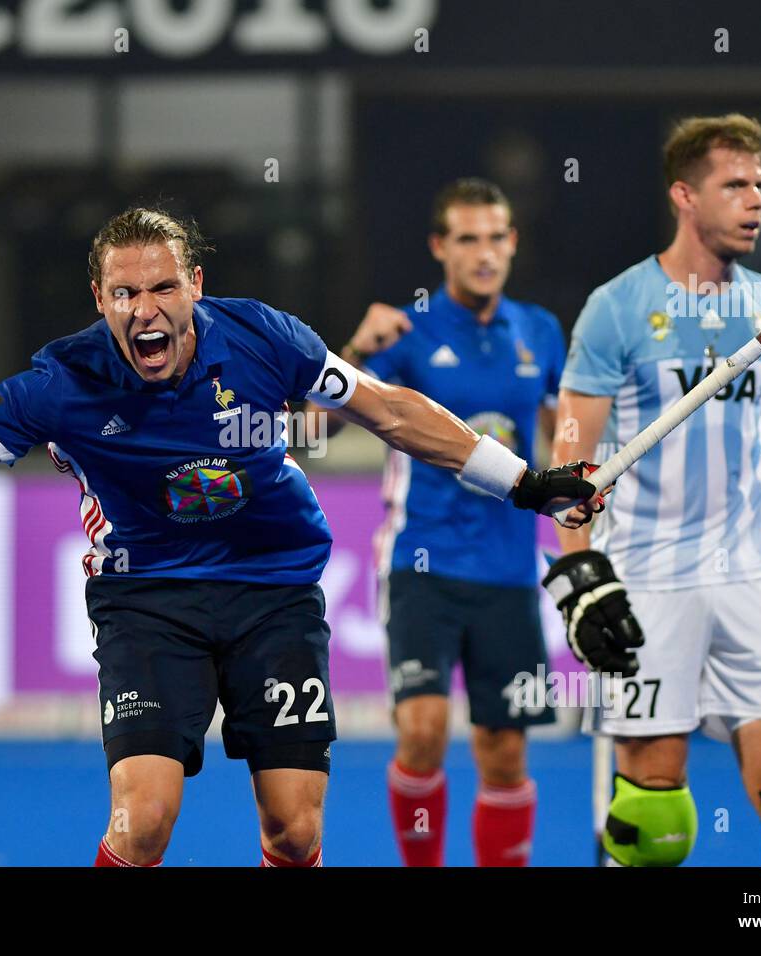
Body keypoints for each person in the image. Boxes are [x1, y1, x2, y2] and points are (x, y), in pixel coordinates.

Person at [0, 207, 600, 867]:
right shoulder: (57, 385)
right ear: (99, 299)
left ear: (196, 286)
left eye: (162, 288)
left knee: (295, 831)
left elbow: (390, 412)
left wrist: (523, 482)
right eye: (122, 293)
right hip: (148, 601)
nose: (144, 310)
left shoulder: (264, 338)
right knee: (143, 823)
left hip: (274, 590)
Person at [549, 115, 761, 867]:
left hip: (750, 576)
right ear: (684, 196)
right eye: (735, 185)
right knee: (654, 817)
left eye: (760, 185)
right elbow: (572, 453)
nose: (757, 200)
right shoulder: (618, 307)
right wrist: (582, 569)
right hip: (650, 578)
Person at [314, 179, 566, 866]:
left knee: (505, 751)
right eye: (467, 239)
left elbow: (565, 436)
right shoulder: (404, 331)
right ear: (439, 247)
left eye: (496, 237)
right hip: (421, 562)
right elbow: (313, 430)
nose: (484, 253)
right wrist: (354, 351)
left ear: (513, 242)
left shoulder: (540, 331)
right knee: (422, 732)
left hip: (509, 571)